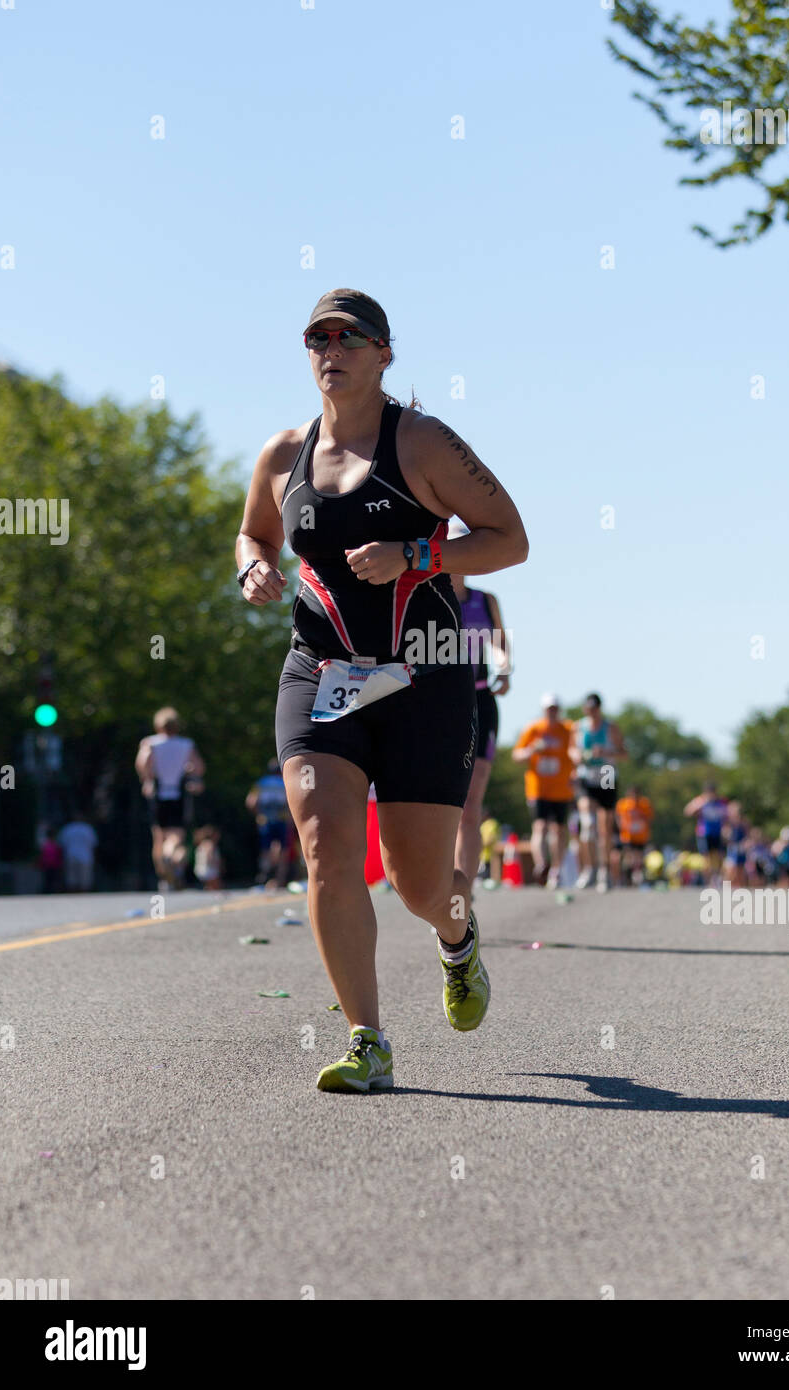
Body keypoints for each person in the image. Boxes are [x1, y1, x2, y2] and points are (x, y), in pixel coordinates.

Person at [235, 287, 528, 1092]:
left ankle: (459, 943)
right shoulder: (282, 453)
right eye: (317, 338)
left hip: (425, 674)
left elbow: (512, 539)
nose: (332, 350)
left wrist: (420, 557)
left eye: (350, 337)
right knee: (330, 850)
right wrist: (252, 564)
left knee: (422, 886)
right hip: (319, 671)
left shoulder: (424, 443)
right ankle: (368, 1040)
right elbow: (256, 527)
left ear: (384, 353)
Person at [449, 521, 512, 886]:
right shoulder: (428, 595)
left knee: (471, 808)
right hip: (438, 704)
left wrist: (505, 669)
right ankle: (437, 887)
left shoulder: (485, 601)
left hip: (480, 700)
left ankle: (462, 897)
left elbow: (502, 646)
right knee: (444, 807)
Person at [135, 707, 206, 892]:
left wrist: (147, 780)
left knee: (158, 837)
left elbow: (142, 763)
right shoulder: (186, 744)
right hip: (179, 793)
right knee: (177, 837)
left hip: (158, 792)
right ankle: (172, 860)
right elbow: (199, 767)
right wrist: (192, 776)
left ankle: (164, 877)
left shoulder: (150, 743)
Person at [512, 694, 575, 889]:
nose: (552, 712)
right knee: (540, 827)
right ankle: (542, 865)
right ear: (544, 710)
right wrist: (532, 750)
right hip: (538, 788)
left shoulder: (567, 730)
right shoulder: (534, 729)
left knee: (559, 830)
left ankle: (556, 870)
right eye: (549, 709)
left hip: (561, 789)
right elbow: (517, 755)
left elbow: (575, 751)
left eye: (555, 708)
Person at [569, 693, 626, 892]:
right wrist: (577, 756)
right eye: (588, 709)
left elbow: (623, 753)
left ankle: (604, 870)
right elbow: (571, 749)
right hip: (586, 774)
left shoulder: (611, 728)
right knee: (588, 824)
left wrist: (607, 752)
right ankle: (589, 869)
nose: (591, 713)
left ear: (599, 709)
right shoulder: (577, 727)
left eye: (595, 709)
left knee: (605, 827)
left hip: (606, 773)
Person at [246, 758, 291, 888]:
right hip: (281, 820)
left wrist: (258, 815)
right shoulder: (284, 782)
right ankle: (280, 880)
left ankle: (264, 877)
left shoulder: (261, 783)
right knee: (283, 851)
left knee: (265, 850)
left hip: (265, 820)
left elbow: (251, 802)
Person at [684, 781, 729, 884]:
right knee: (706, 858)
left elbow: (728, 815)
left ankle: (717, 878)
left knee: (720, 856)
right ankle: (708, 881)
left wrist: (726, 828)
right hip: (704, 832)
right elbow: (687, 811)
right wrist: (700, 804)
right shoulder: (701, 800)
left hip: (718, 833)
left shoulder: (721, 802)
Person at [614, 785, 654, 886]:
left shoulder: (644, 804)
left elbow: (649, 818)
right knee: (629, 857)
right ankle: (627, 878)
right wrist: (621, 827)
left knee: (639, 857)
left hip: (641, 836)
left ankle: (638, 876)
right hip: (628, 836)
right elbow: (618, 816)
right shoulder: (623, 804)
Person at [57, 814, 98, 892]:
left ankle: (73, 896)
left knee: (72, 880)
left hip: (70, 855)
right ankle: (83, 897)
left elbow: (61, 844)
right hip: (85, 857)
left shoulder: (68, 828)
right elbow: (93, 844)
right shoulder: (87, 828)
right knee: (85, 880)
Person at [723, 800, 749, 888]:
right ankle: (727, 887)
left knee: (740, 870)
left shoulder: (744, 823)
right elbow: (725, 834)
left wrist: (746, 843)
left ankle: (740, 888)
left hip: (741, 848)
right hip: (732, 848)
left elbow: (747, 835)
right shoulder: (729, 823)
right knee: (731, 869)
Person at [193, 826, 223, 891]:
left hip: (199, 869)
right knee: (217, 886)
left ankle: (209, 892)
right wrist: (217, 865)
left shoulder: (202, 844)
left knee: (211, 886)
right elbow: (209, 856)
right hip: (207, 869)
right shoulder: (209, 844)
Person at [38, 826, 64, 893]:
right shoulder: (54, 845)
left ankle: (50, 892)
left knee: (50, 881)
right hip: (51, 866)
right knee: (50, 881)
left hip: (51, 866)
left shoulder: (46, 845)